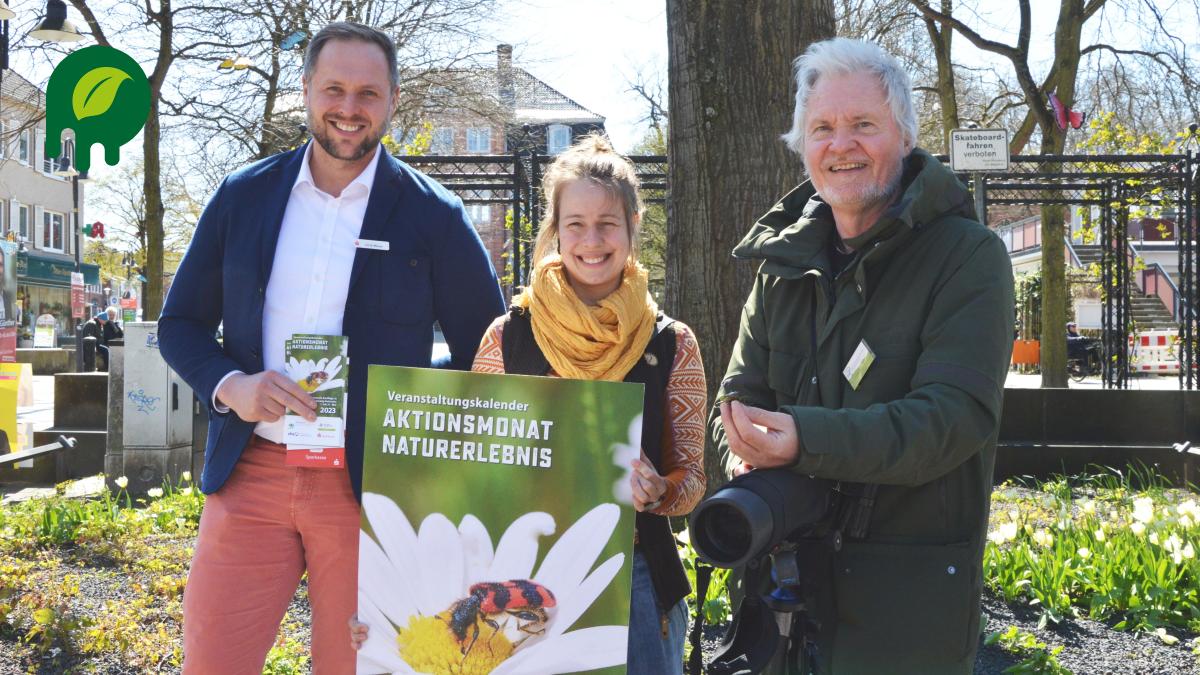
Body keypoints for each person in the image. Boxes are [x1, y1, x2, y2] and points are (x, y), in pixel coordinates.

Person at [158, 21, 504, 675]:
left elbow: (488, 353)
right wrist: (234, 386)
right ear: (306, 90)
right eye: (334, 89)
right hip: (251, 475)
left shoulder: (435, 217)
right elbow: (179, 324)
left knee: (354, 669)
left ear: (393, 100)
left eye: (368, 93)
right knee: (212, 663)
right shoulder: (243, 196)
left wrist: (403, 404)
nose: (349, 108)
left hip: (370, 491)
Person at [349, 134, 708, 673]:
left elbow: (693, 481)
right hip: (511, 581)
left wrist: (661, 492)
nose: (592, 240)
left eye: (608, 223)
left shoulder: (671, 343)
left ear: (633, 225)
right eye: (576, 224)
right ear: (555, 229)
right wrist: (390, 612)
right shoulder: (508, 336)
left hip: (637, 580)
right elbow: (468, 474)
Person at [711, 38, 1014, 674]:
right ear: (802, 145)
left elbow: (953, 419)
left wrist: (802, 441)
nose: (840, 144)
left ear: (904, 134)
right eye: (822, 127)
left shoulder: (967, 257)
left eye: (863, 124)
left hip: (900, 622)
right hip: (779, 610)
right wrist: (743, 448)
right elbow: (734, 400)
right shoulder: (779, 266)